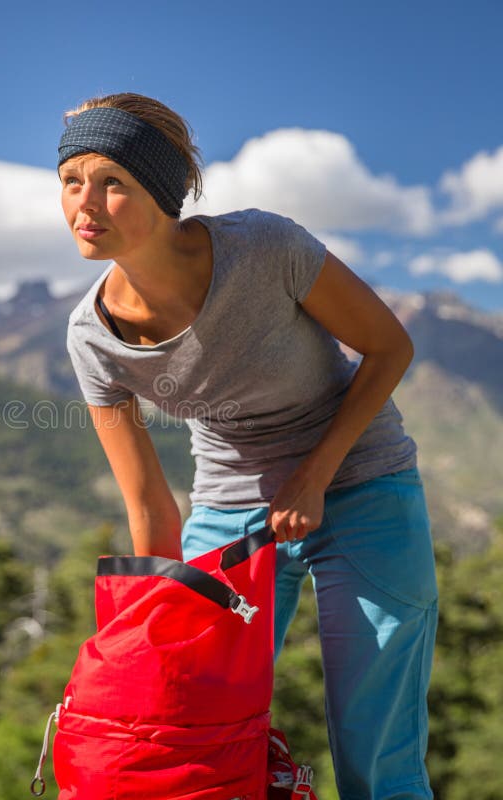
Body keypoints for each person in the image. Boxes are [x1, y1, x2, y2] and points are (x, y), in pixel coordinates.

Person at [60, 92, 438, 800]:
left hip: (362, 483)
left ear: (162, 193)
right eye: (72, 181)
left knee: (374, 756)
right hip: (231, 511)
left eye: (114, 182)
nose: (87, 203)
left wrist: (315, 477)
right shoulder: (92, 337)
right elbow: (148, 506)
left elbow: (389, 347)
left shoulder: (264, 249)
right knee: (195, 733)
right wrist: (144, 636)